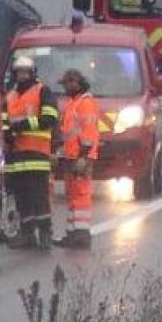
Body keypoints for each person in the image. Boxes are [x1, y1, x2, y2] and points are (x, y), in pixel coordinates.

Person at [2, 56, 58, 250]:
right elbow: (3, 118)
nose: (22, 76)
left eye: (25, 72)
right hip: (15, 155)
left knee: (39, 196)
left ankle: (45, 233)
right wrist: (7, 132)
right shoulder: (10, 95)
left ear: (33, 73)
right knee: (21, 197)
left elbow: (49, 118)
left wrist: (25, 124)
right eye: (19, 72)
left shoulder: (43, 91)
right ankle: (27, 234)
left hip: (37, 153)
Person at [54, 68, 100, 249]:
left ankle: (81, 234)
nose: (65, 87)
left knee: (80, 195)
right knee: (73, 196)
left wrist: (83, 155)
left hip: (81, 156)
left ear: (76, 83)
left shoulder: (84, 103)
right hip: (72, 156)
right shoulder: (73, 103)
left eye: (67, 84)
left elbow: (88, 132)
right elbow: (68, 133)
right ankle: (73, 233)